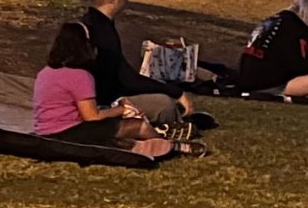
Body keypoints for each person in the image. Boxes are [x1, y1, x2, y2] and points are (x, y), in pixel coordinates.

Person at [35, 21, 204, 155]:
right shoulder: (79, 76)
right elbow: (92, 117)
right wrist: (121, 110)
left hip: (45, 132)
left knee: (113, 134)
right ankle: (170, 145)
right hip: (70, 132)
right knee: (139, 126)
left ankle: (137, 145)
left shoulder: (46, 72)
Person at [78, 0, 200, 121]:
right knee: (164, 104)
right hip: (100, 101)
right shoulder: (101, 31)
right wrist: (176, 92)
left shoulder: (90, 22)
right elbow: (127, 78)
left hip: (95, 95)